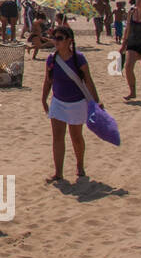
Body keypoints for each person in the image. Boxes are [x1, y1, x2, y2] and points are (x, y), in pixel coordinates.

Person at [41, 25, 103, 184]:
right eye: (55, 38)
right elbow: (48, 80)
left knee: (76, 137)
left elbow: (88, 81)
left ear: (69, 41)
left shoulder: (78, 58)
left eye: (60, 38)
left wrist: (96, 101)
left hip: (77, 102)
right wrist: (43, 98)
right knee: (57, 138)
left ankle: (80, 165)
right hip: (58, 102)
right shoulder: (52, 58)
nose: (56, 41)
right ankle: (58, 173)